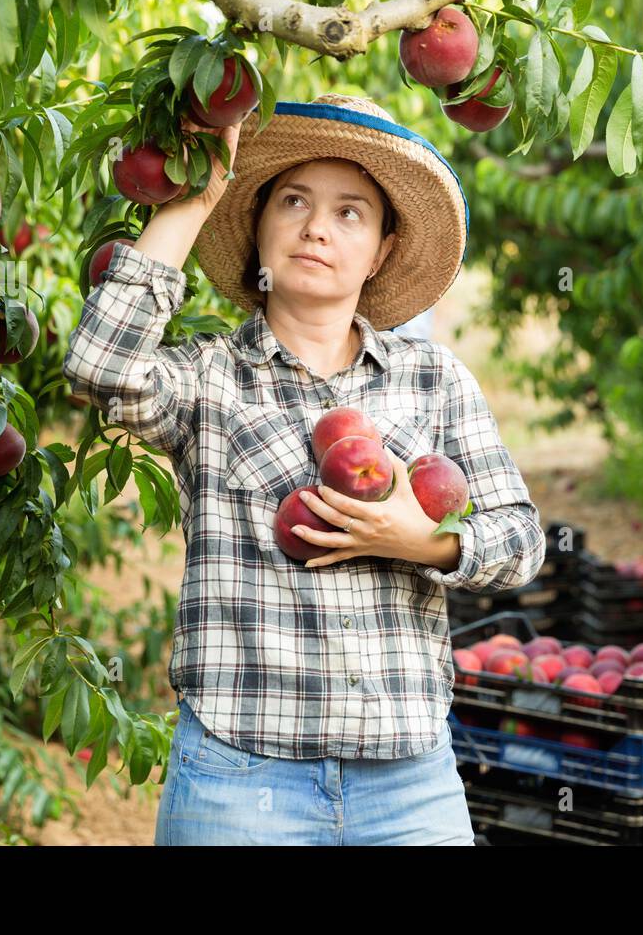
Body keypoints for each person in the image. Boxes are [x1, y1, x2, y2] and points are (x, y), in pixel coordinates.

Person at [63, 93, 545, 845]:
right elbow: (98, 367)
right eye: (292, 201)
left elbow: (520, 539)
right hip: (239, 775)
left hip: (409, 782)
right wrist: (199, 193)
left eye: (351, 212)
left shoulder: (433, 380)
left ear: (383, 249)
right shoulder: (210, 379)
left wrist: (423, 541)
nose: (317, 227)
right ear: (257, 229)